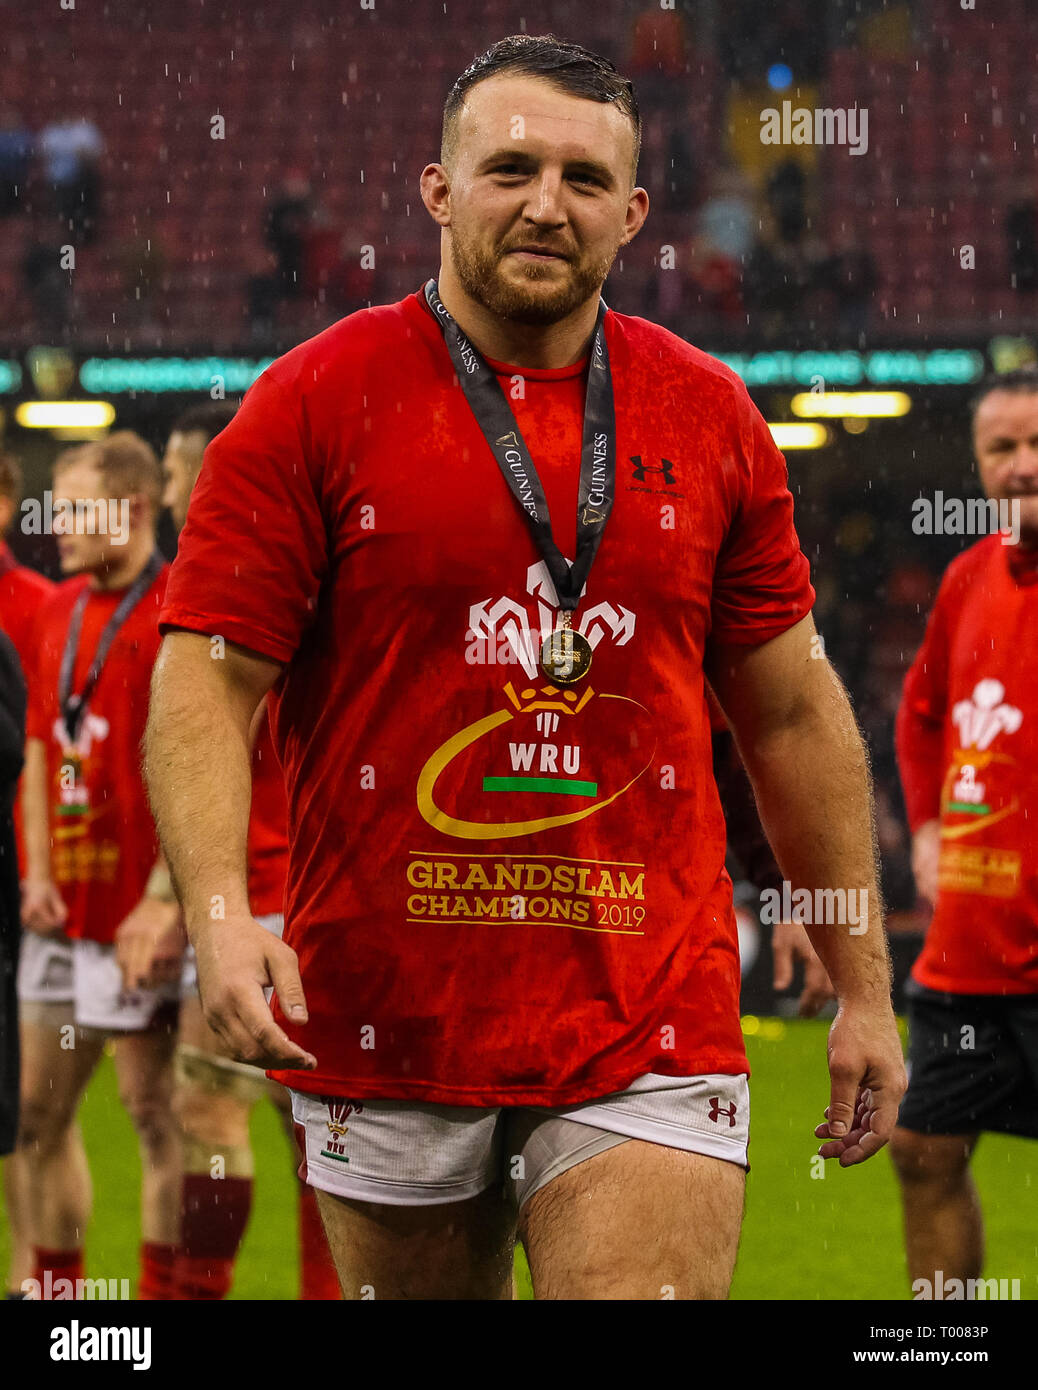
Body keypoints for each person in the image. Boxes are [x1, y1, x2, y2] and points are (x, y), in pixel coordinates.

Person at [145, 34, 905, 1301]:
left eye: (583, 178)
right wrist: (222, 917)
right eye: (509, 169)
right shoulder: (309, 403)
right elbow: (207, 681)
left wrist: (863, 978)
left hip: (650, 1012)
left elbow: (790, 712)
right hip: (391, 1008)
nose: (547, 204)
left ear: (634, 211)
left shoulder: (711, 415)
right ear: (438, 190)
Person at [160, 402, 339, 1300]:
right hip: (235, 897)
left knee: (317, 1131)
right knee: (211, 1112)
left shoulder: (290, 588)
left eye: (186, 476)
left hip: (296, 901)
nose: (175, 498)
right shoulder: (196, 603)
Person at [16, 432, 185, 1300]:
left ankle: (157, 1312)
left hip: (143, 916)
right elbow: (44, 746)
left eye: (78, 509)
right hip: (63, 910)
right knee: (35, 1117)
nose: (61, 529)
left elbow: (195, 769)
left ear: (137, 508)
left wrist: (170, 901)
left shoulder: (178, 610)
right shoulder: (56, 609)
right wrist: (35, 871)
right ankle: (61, 1313)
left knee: (159, 1119)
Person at [893, 368, 1038, 1296]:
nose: (1023, 467)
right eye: (1002, 450)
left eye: (1037, 445)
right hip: (970, 958)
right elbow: (921, 717)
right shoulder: (965, 577)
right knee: (921, 1149)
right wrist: (928, 830)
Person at [0, 451, 56, 1298]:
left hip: (26, 890)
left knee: (22, 1116)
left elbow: (34, 746)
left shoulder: (41, 608)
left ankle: (32, 1286)